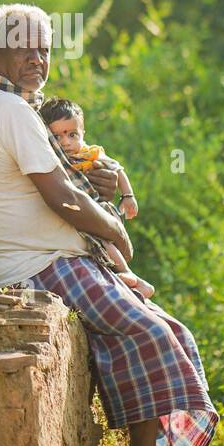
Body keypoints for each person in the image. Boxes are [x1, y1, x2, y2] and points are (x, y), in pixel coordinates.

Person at [0, 2, 224, 446]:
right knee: (152, 334)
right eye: (22, 47)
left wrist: (105, 195)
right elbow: (62, 198)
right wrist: (115, 227)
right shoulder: (9, 110)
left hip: (61, 260)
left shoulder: (16, 109)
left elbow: (68, 186)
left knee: (176, 333)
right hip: (39, 267)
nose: (36, 58)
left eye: (44, 48)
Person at [38, 95, 155, 299]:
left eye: (72, 135)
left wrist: (128, 195)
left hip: (97, 209)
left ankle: (128, 273)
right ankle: (130, 283)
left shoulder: (89, 153)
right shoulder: (53, 157)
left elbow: (117, 169)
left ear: (83, 133)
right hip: (79, 210)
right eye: (58, 137)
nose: (66, 142)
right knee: (95, 249)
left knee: (104, 242)